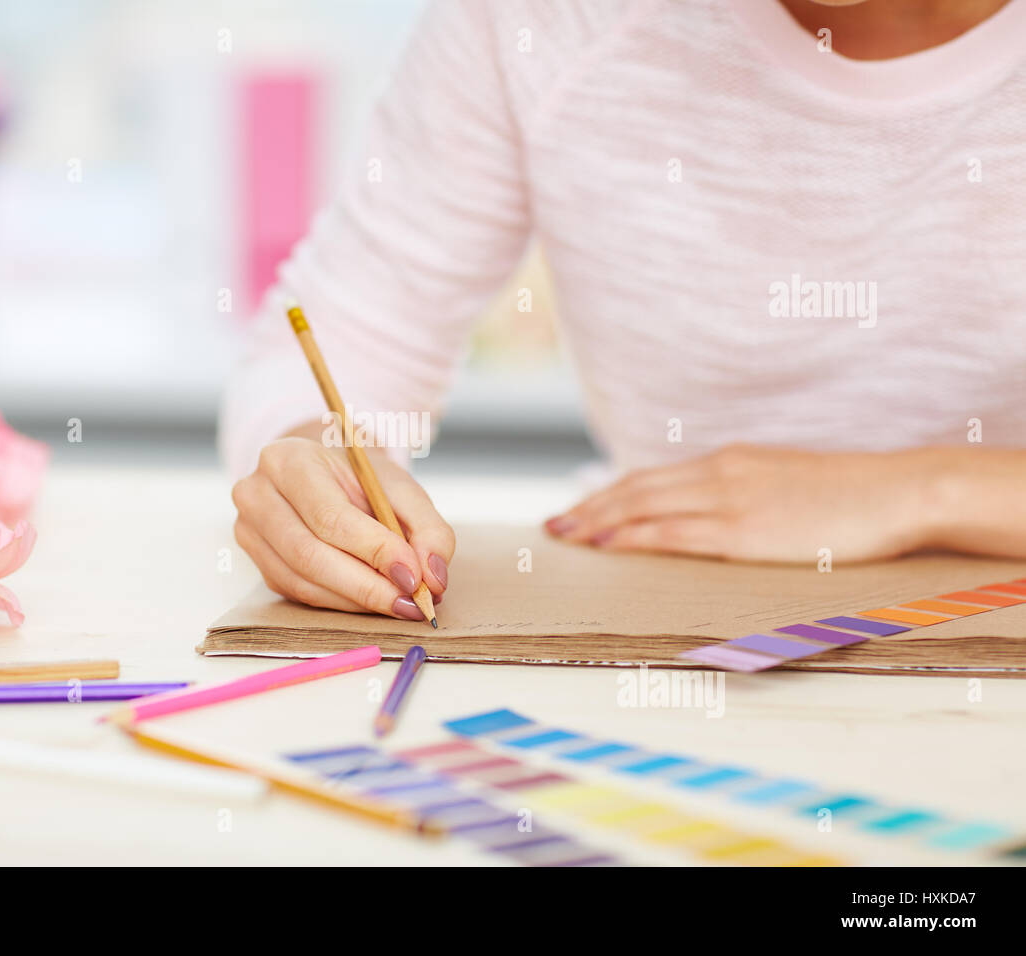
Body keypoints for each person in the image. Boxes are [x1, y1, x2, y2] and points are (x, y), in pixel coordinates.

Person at [220, 0, 1026, 621]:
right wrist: (316, 465)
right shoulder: (542, 22)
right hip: (659, 645)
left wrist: (929, 491)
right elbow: (351, 329)